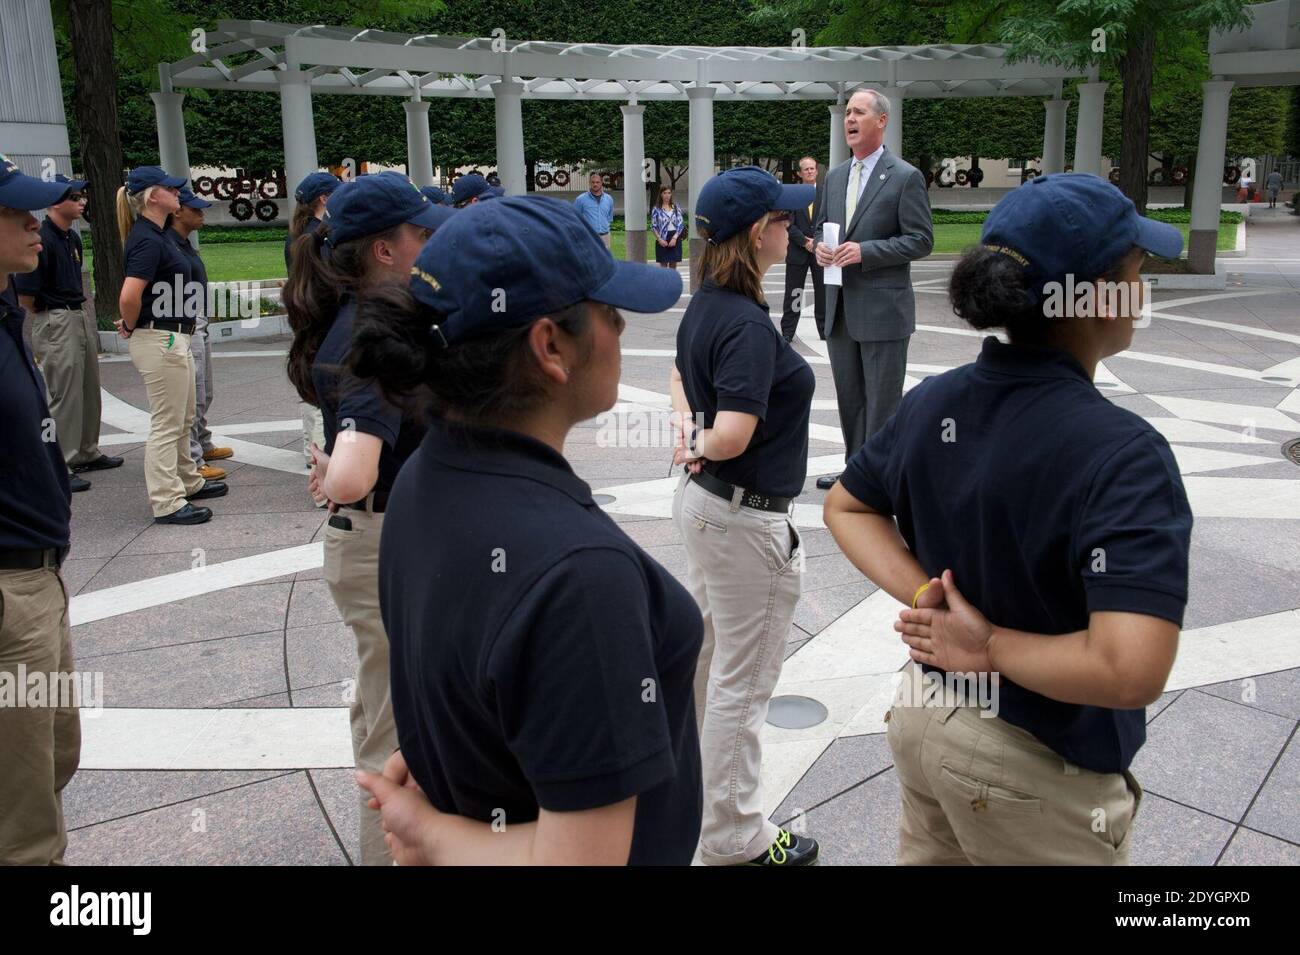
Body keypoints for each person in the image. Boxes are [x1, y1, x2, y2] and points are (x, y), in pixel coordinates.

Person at [823, 173, 1193, 865]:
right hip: (1031, 763)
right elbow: (1128, 668)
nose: (1142, 292)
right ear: (1091, 299)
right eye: (1136, 271)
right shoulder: (1124, 453)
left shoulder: (936, 400)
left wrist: (924, 595)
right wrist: (986, 644)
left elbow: (846, 503)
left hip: (924, 717)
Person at [352, 196, 700, 866]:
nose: (621, 326)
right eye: (607, 310)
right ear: (550, 346)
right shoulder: (580, 575)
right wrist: (427, 832)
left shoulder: (426, 474)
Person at [283, 172, 450, 865]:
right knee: (393, 742)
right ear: (384, 250)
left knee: (388, 719)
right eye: (418, 232)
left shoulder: (363, 315)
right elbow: (355, 470)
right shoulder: (371, 331)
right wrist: (339, 472)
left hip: (378, 541)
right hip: (380, 545)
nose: (428, 240)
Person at [669, 166, 819, 866]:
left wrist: (685, 436)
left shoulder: (705, 304)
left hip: (706, 509)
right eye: (785, 219)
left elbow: (677, 377)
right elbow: (731, 434)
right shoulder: (746, 324)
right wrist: (700, 439)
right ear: (759, 231)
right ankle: (733, 839)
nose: (794, 227)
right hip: (742, 520)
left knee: (708, 670)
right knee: (742, 682)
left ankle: (704, 809)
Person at [0, 152, 81, 865]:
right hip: (10, 587)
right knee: (19, 808)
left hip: (40, 577)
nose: (35, 223)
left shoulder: (4, 310)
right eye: (15, 212)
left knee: (51, 753)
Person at [813, 89, 933, 490]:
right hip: (839, 306)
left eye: (859, 112)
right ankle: (855, 473)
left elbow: (920, 240)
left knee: (882, 403)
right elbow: (819, 230)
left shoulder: (905, 177)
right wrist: (819, 249)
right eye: (847, 112)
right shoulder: (834, 176)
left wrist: (866, 251)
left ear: (881, 121)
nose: (849, 118)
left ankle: (881, 478)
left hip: (883, 310)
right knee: (851, 399)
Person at [115, 165, 226, 526]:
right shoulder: (147, 238)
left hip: (171, 333)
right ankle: (167, 500)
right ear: (152, 197)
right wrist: (132, 325)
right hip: (161, 336)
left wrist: (136, 322)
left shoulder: (155, 234)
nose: (178, 193)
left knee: (182, 417)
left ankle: (188, 481)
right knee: (168, 422)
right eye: (170, 189)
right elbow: (130, 294)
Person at [13, 173, 121, 493]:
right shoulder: (42, 239)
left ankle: (87, 450)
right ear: (56, 202)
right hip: (55, 318)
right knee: (64, 394)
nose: (81, 202)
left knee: (88, 388)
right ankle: (62, 459)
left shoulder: (71, 238)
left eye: (81, 196)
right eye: (74, 197)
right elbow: (27, 296)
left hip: (77, 315)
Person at [170, 187, 231, 481]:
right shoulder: (167, 242)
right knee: (193, 394)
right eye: (195, 209)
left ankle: (202, 443)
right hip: (184, 321)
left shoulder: (183, 243)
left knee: (204, 390)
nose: (201, 213)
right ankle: (193, 457)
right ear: (177, 212)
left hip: (197, 318)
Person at [285, 171, 341, 467]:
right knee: (322, 397)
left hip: (308, 319)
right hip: (322, 319)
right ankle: (321, 461)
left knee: (312, 392)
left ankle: (314, 457)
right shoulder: (318, 237)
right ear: (324, 198)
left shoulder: (299, 234)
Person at [781, 156, 826, 343]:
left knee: (822, 292)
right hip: (797, 252)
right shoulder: (793, 195)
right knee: (794, 293)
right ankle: (788, 332)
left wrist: (816, 242)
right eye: (805, 169)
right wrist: (804, 242)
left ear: (817, 171)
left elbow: (830, 219)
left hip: (820, 251)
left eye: (812, 168)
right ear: (799, 173)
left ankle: (824, 331)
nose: (809, 172)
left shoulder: (826, 194)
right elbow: (787, 223)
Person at [574, 171, 615, 248]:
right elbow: (575, 218)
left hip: (605, 237)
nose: (595, 184)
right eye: (593, 182)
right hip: (589, 237)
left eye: (597, 182)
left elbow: (609, 218)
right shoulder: (580, 199)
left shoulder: (609, 199)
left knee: (605, 259)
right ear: (590, 183)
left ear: (601, 183)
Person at [650, 185, 685, 269]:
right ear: (661, 194)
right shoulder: (656, 209)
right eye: (664, 193)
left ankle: (672, 282)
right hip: (662, 238)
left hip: (675, 237)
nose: (667, 195)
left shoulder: (675, 207)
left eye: (669, 193)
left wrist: (674, 238)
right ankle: (664, 282)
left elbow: (680, 224)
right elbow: (653, 227)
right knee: (663, 267)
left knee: (673, 265)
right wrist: (660, 240)